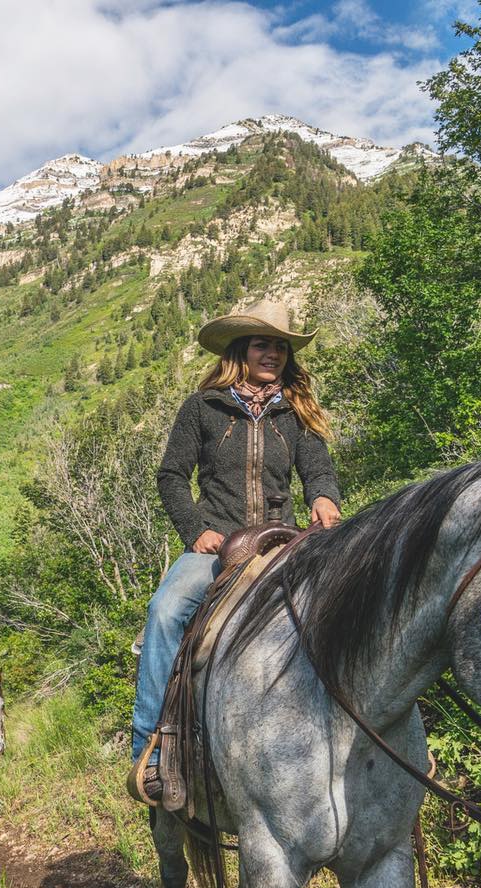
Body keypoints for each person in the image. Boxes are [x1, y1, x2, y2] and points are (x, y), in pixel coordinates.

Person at [131, 298, 342, 798]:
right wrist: (194, 529)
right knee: (164, 613)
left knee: (350, 602)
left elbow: (318, 470)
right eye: (263, 344)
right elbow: (171, 477)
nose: (273, 353)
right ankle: (152, 748)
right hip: (216, 544)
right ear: (241, 350)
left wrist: (325, 498)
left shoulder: (295, 413)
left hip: (281, 542)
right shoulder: (203, 408)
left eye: (281, 347)